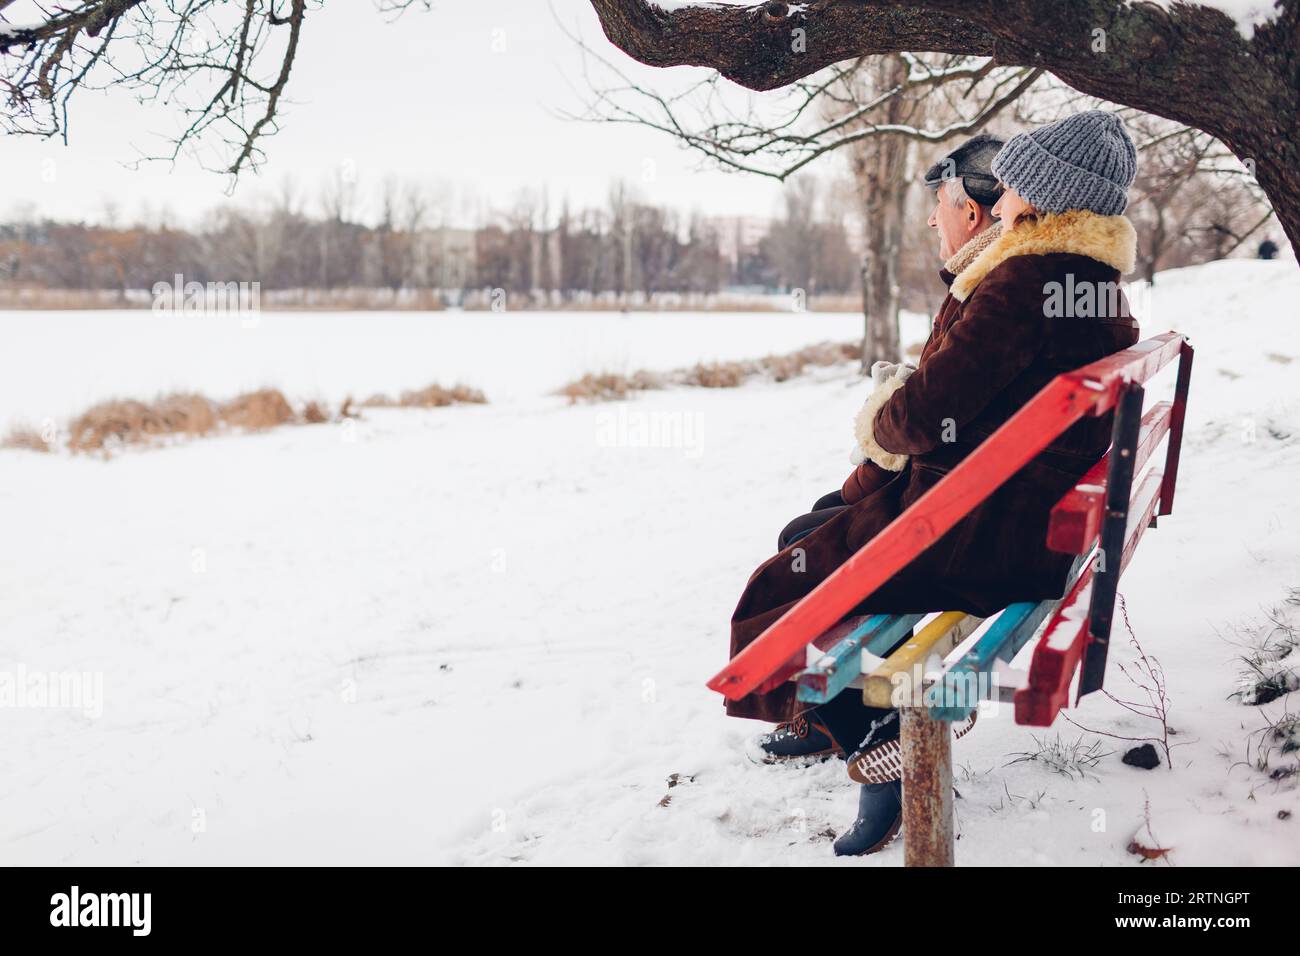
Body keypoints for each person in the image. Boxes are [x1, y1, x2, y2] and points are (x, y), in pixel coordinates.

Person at [733, 111, 1142, 857]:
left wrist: (882, 421)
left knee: (798, 564)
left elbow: (926, 415)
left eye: (1015, 179)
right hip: (1031, 515)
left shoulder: (1027, 280)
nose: (1005, 188)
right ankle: (832, 718)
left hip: (994, 532)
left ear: (1041, 198)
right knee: (818, 531)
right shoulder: (1090, 281)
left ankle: (873, 740)